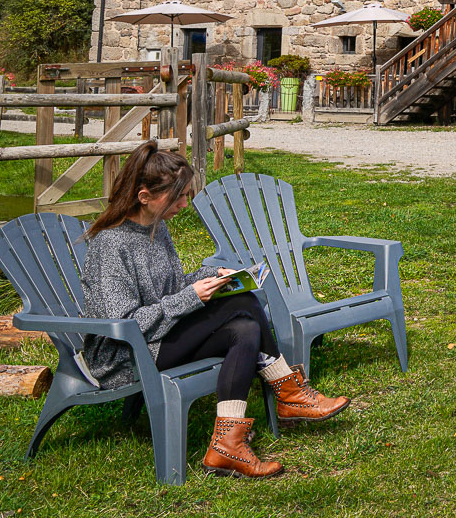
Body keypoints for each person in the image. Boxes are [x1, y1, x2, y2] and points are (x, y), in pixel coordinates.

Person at [79, 140, 349, 478]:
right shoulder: (110, 245)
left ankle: (228, 445)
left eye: (187, 194)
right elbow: (125, 323)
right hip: (125, 356)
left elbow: (170, 289)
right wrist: (192, 296)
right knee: (241, 304)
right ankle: (288, 392)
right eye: (176, 196)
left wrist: (211, 277)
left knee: (245, 326)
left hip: (159, 339)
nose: (184, 203)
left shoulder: (156, 228)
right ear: (143, 195)